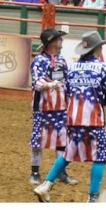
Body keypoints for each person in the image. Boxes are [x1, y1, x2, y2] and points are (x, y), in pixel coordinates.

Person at [34, 30, 106, 204]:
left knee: (68, 153)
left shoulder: (73, 68)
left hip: (73, 119)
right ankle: (92, 198)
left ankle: (45, 185)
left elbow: (68, 91)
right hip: (94, 119)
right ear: (97, 49)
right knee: (100, 156)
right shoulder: (102, 68)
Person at [29, 27, 81, 185]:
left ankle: (60, 172)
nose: (61, 41)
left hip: (61, 107)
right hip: (43, 107)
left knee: (62, 139)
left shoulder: (61, 60)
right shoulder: (39, 61)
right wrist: (52, 84)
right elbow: (37, 82)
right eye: (59, 39)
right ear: (52, 42)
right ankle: (35, 173)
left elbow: (67, 80)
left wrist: (71, 95)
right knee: (38, 140)